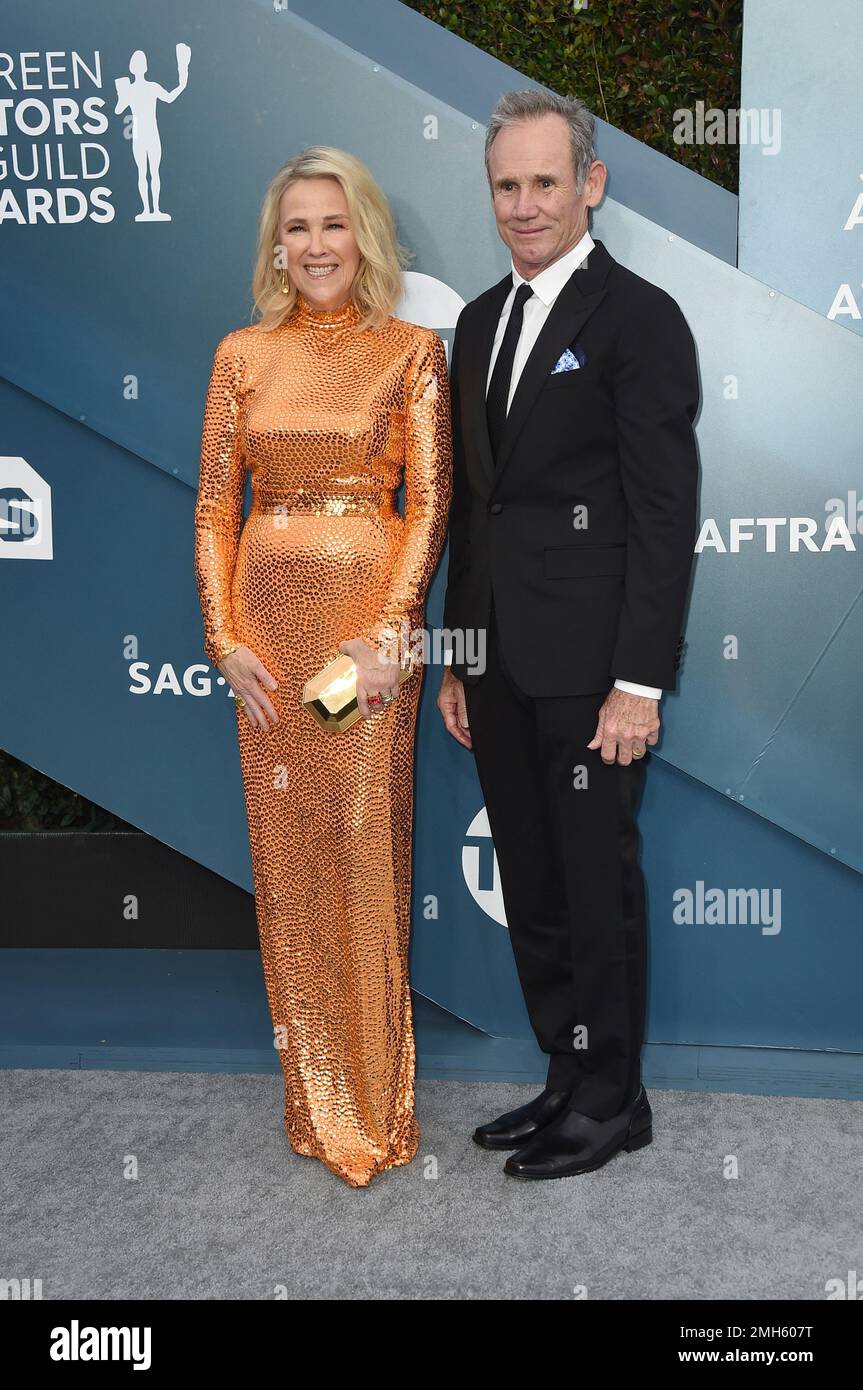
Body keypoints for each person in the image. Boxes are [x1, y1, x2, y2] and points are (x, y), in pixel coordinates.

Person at [438, 90, 699, 1179]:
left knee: (594, 882)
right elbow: (473, 507)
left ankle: (612, 1097)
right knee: (534, 881)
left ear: (589, 183)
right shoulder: (476, 322)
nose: (524, 204)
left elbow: (660, 513)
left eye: (545, 182)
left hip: (594, 675)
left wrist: (636, 682)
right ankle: (565, 1070)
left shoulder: (640, 318)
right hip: (497, 665)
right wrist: (457, 655)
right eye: (506, 185)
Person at [194, 147, 452, 1188]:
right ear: (276, 246)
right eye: (295, 227)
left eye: (332, 224)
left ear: (365, 237)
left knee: (360, 855)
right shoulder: (239, 355)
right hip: (267, 642)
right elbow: (217, 506)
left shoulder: (409, 351)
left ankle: (375, 1105)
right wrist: (225, 639)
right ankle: (314, 1100)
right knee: (289, 867)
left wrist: (389, 632)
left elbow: (428, 504)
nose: (314, 245)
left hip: (360, 652)